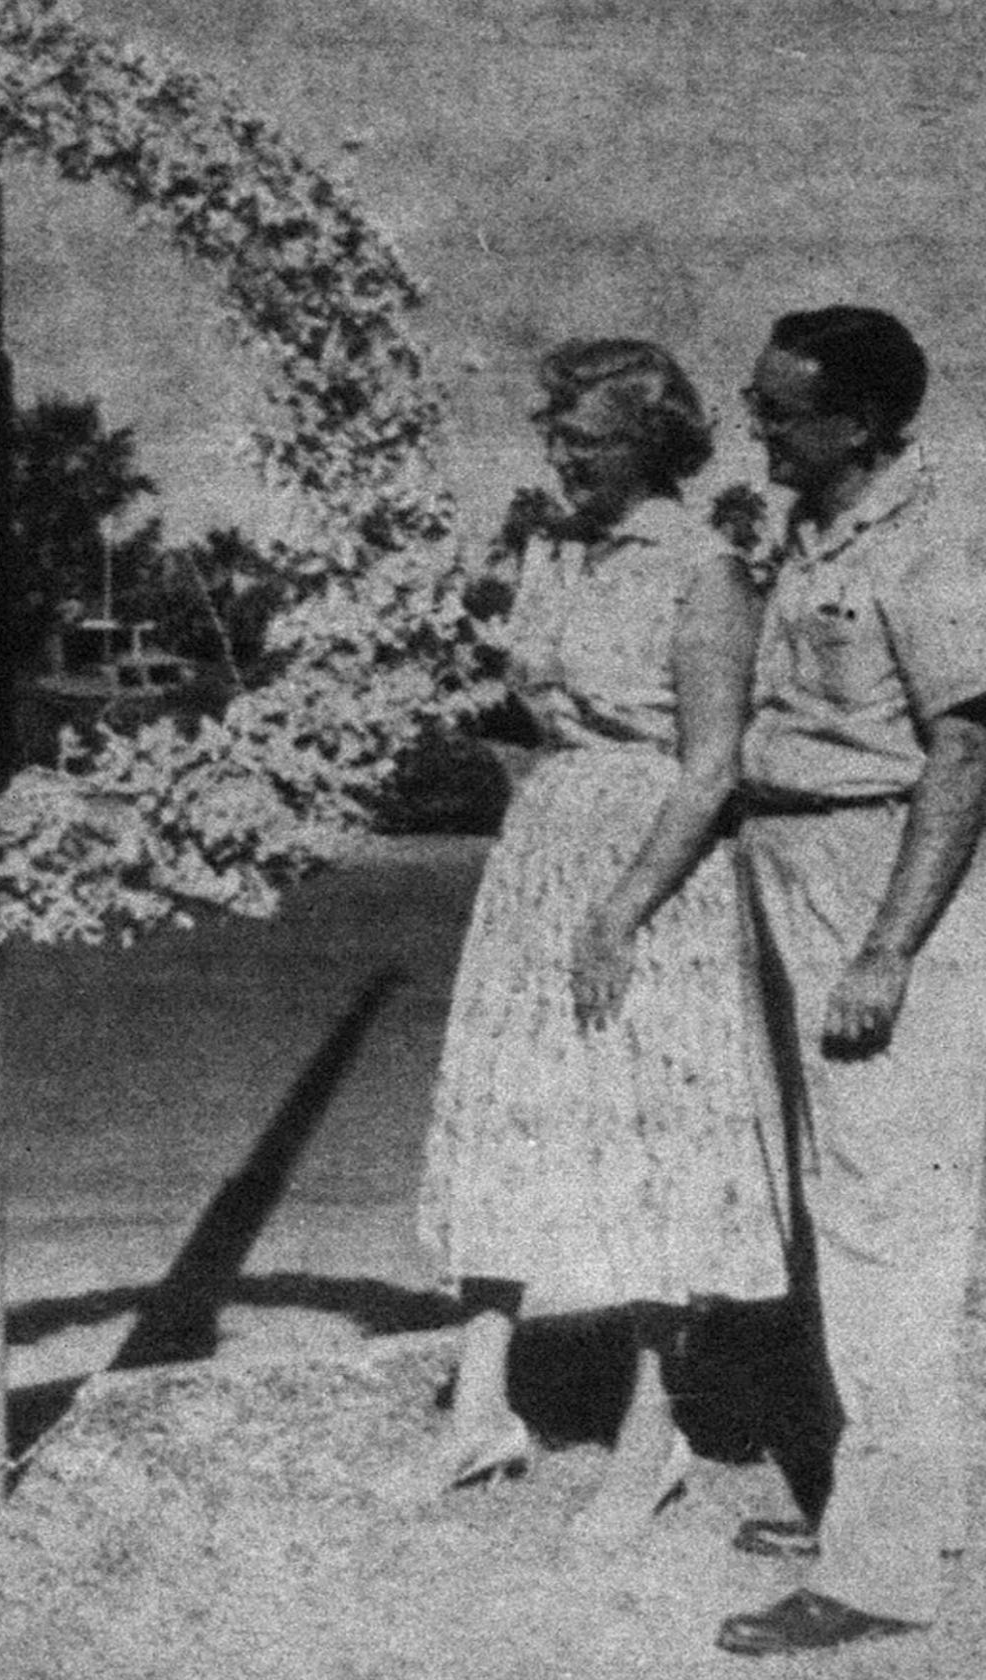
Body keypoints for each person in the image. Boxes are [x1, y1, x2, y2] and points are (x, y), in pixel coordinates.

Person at [401, 340, 790, 1533]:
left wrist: (617, 905)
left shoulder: (704, 573)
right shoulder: (548, 552)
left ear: (651, 443)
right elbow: (534, 710)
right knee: (502, 1107)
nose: (560, 457)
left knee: (645, 1130)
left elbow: (711, 765)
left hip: (651, 871)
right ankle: (481, 1407)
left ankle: (652, 1427)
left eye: (583, 439)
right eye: (552, 437)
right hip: (543, 844)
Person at [709, 306, 986, 1658]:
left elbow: (967, 754)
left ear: (864, 423)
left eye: (780, 412)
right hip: (793, 868)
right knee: (830, 1209)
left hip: (879, 885)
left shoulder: (934, 543)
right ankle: (882, 1504)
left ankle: (883, 1570)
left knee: (892, 1229)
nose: (755, 429)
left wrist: (889, 946)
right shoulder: (817, 530)